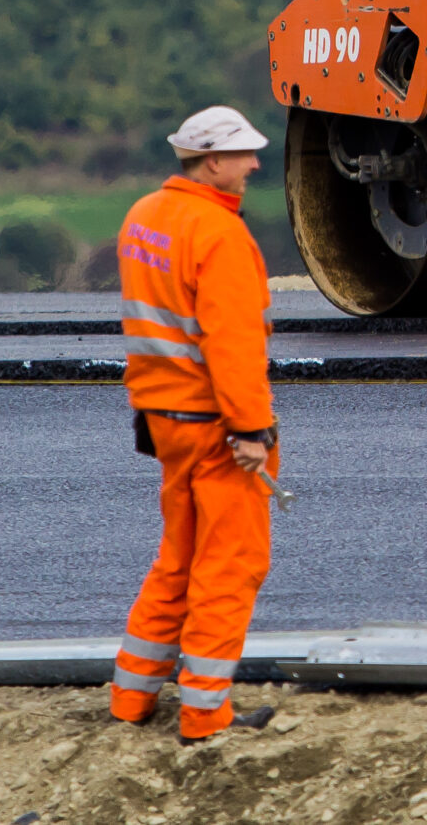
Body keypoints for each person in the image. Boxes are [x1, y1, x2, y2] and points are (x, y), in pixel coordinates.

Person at [109, 106, 282, 743]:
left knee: (177, 559)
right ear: (212, 162)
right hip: (214, 425)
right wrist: (252, 430)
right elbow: (232, 345)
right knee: (229, 565)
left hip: (164, 418)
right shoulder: (218, 233)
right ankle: (206, 714)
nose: (254, 164)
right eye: (243, 155)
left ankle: (132, 697)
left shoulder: (144, 216)